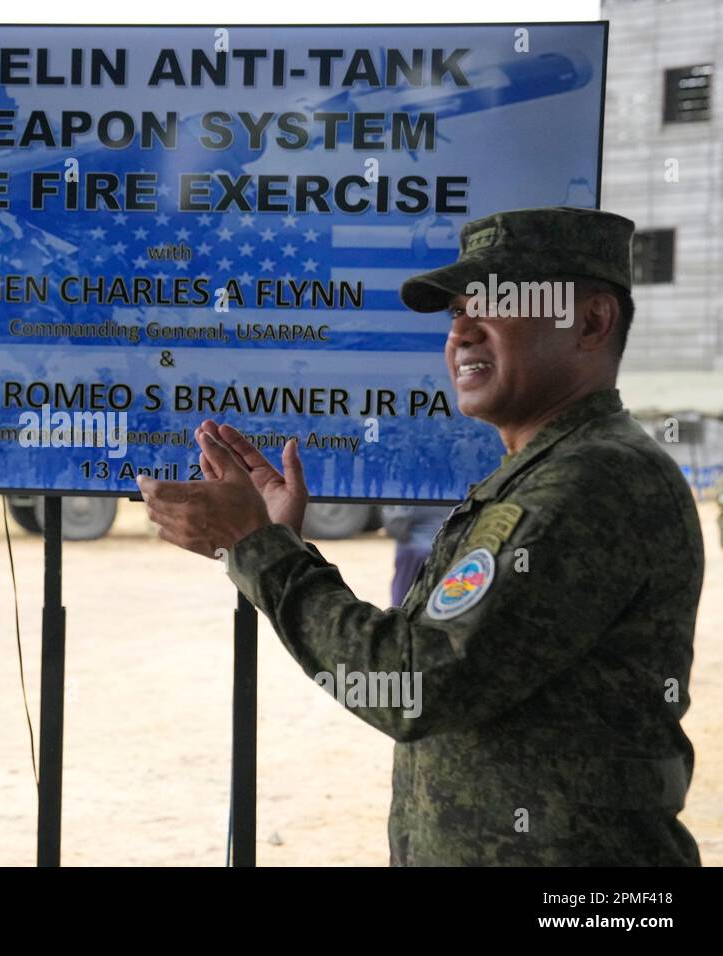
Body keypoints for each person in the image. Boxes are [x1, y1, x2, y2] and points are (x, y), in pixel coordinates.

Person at [137, 206, 704, 865]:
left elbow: (412, 684)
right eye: (457, 311)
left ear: (590, 322)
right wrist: (271, 540)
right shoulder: (544, 471)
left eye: (496, 303)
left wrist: (259, 548)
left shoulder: (592, 481)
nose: (461, 331)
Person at [379, 504, 448, 607]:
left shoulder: (412, 495)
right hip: (439, 549)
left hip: (411, 550)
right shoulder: (451, 495)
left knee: (401, 592)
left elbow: (395, 521)